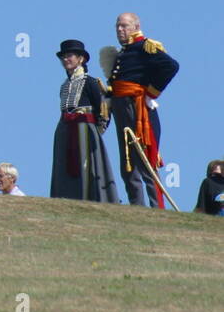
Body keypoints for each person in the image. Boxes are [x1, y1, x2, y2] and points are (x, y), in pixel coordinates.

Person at [104, 13, 179, 208]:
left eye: (125, 26)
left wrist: (151, 92)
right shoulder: (124, 52)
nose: (120, 30)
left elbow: (171, 66)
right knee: (127, 159)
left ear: (136, 26)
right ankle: (137, 206)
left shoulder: (145, 47)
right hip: (122, 106)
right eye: (118, 26)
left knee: (145, 158)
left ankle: (157, 207)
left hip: (137, 108)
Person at [49, 40, 118, 203]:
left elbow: (103, 108)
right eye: (64, 57)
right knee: (64, 165)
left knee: (87, 165)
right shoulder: (64, 86)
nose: (66, 59)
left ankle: (89, 197)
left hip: (84, 130)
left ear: (81, 59)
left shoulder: (90, 82)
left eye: (70, 56)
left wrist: (98, 132)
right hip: (66, 129)